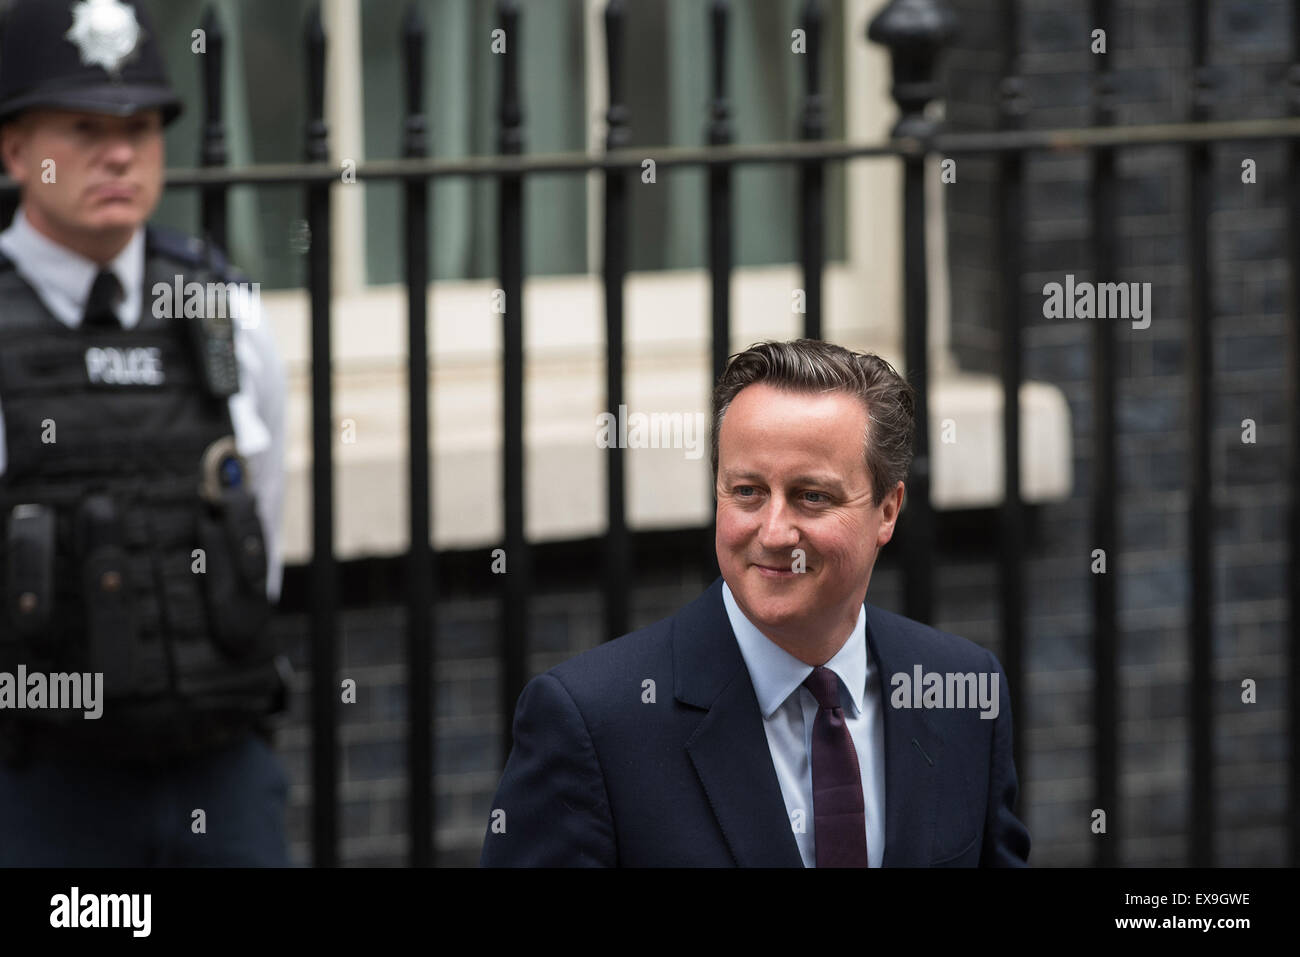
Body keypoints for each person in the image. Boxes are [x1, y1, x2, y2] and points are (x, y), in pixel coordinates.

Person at [482, 338, 1031, 866]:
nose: (773, 533)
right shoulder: (591, 722)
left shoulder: (960, 689)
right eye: (747, 491)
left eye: (811, 496)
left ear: (888, 510)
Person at [0, 0, 290, 866]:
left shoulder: (222, 308)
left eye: (140, 125)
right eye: (84, 127)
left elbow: (263, 528)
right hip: (40, 790)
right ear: (14, 150)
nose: (120, 152)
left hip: (220, 775)